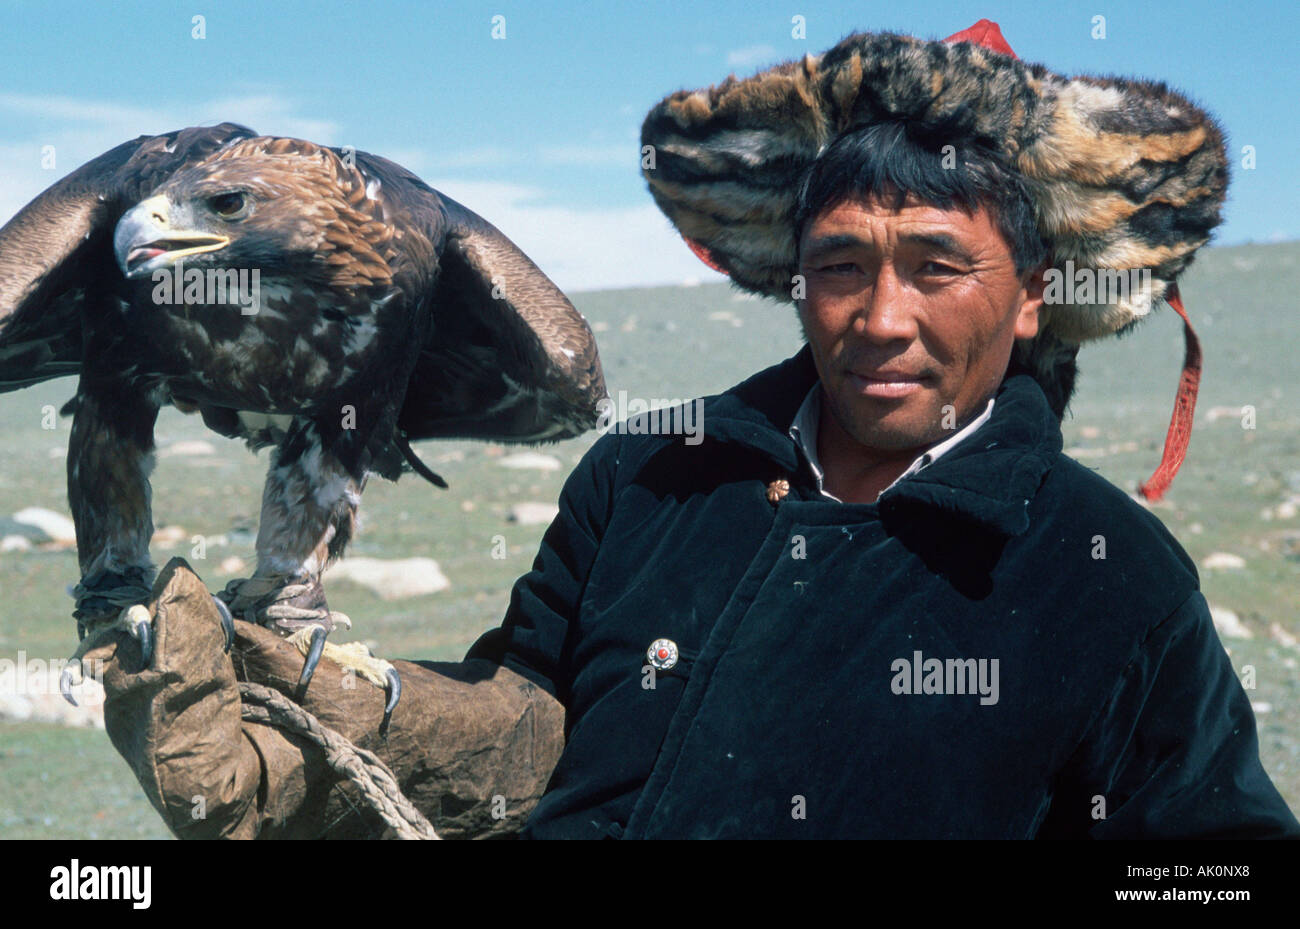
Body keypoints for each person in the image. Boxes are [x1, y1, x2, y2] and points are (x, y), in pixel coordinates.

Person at [94, 20, 1299, 839]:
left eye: (939, 266)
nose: (882, 317)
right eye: (842, 265)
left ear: (1031, 294)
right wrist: (339, 736)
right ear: (795, 280)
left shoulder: (1107, 574)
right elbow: (528, 719)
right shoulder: (651, 473)